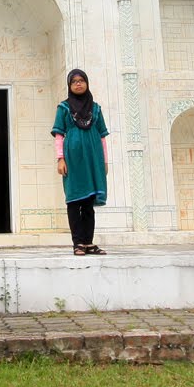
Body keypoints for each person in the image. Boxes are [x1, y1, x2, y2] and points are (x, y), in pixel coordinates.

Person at [51, 68, 110, 256]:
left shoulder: (96, 108)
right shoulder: (64, 108)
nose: (78, 83)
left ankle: (88, 242)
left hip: (93, 159)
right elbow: (59, 135)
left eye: (81, 80)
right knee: (75, 200)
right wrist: (60, 158)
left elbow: (102, 137)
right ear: (69, 85)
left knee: (88, 202)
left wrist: (105, 162)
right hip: (73, 160)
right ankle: (77, 243)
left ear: (87, 83)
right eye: (74, 81)